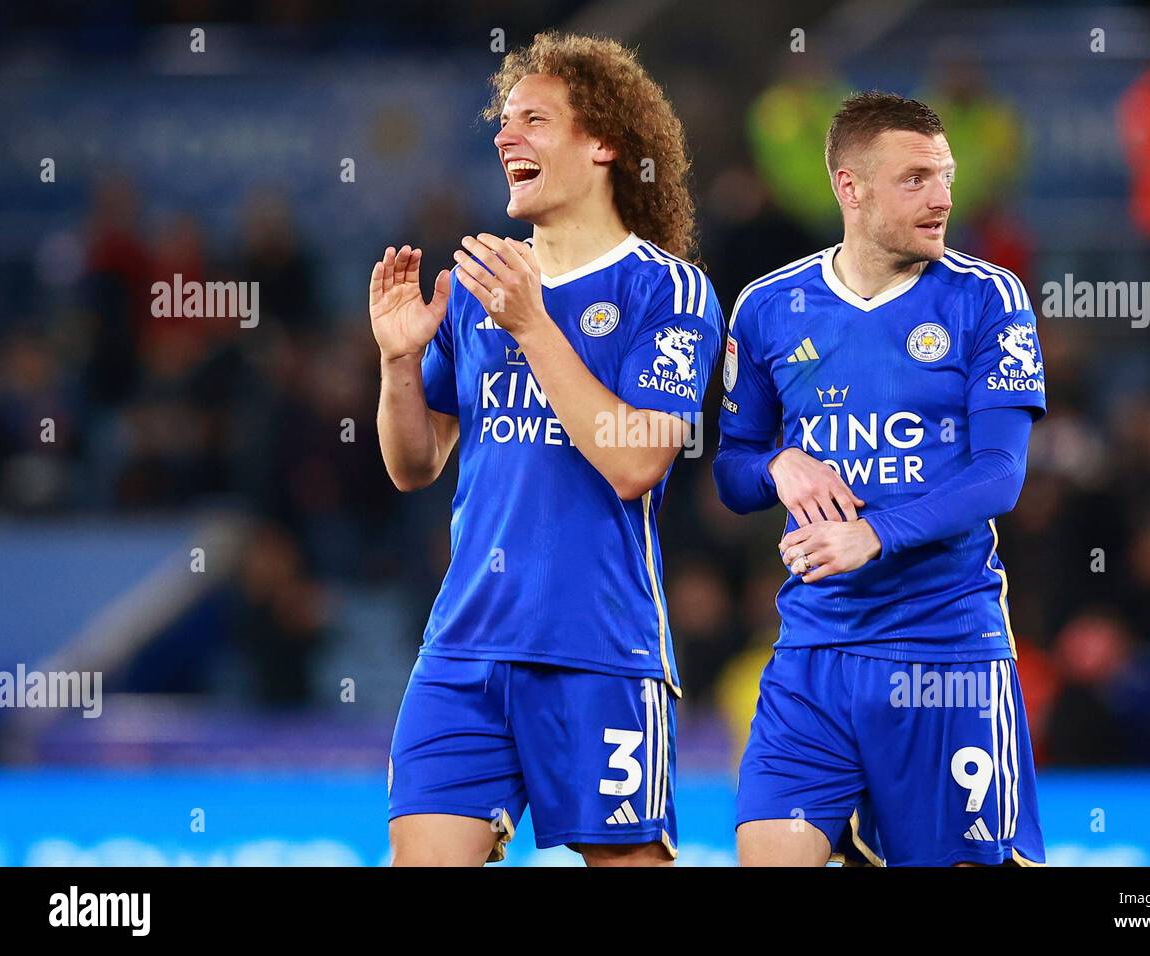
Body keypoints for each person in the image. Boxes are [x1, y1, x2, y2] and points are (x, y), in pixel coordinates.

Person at [372, 32, 722, 866]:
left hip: (597, 647)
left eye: (534, 119)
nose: (505, 136)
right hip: (463, 647)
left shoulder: (664, 289)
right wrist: (395, 360)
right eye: (503, 121)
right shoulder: (479, 288)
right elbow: (413, 464)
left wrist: (532, 325)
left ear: (602, 142)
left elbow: (636, 461)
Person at [714, 90, 1046, 867]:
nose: (942, 199)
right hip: (813, 658)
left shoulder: (986, 298)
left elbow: (999, 475)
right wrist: (775, 464)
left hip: (948, 658)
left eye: (946, 177)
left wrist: (873, 533)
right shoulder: (768, 308)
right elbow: (731, 476)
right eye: (916, 179)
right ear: (848, 188)